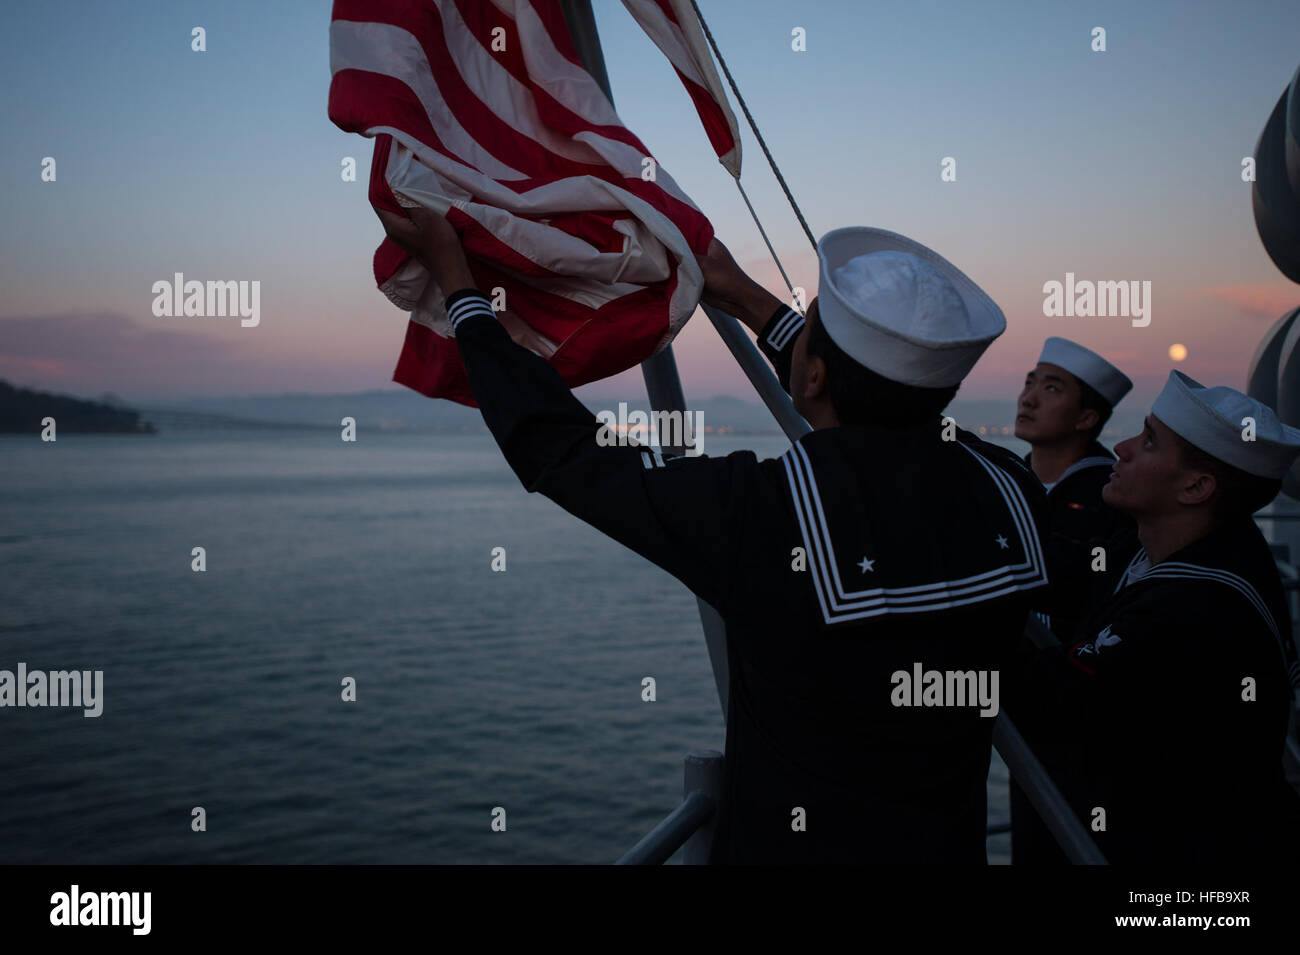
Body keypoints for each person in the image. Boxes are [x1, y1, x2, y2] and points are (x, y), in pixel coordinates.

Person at [379, 205, 1048, 863]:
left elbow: (560, 450)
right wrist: (745, 296)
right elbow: (884, 406)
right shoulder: (1014, 492)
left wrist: (460, 285)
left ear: (813, 375)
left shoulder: (763, 515)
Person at [1018, 371, 1300, 863]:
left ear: (1194, 486)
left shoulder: (1195, 608)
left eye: (1148, 442)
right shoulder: (1165, 542)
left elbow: (1049, 691)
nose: (1121, 449)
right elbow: (1076, 574)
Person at [1007, 337, 1134, 863]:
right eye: (1030, 381)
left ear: (1086, 419)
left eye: (1051, 387)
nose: (1029, 397)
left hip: (1081, 711)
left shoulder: (1113, 496)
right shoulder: (1011, 480)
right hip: (1021, 702)